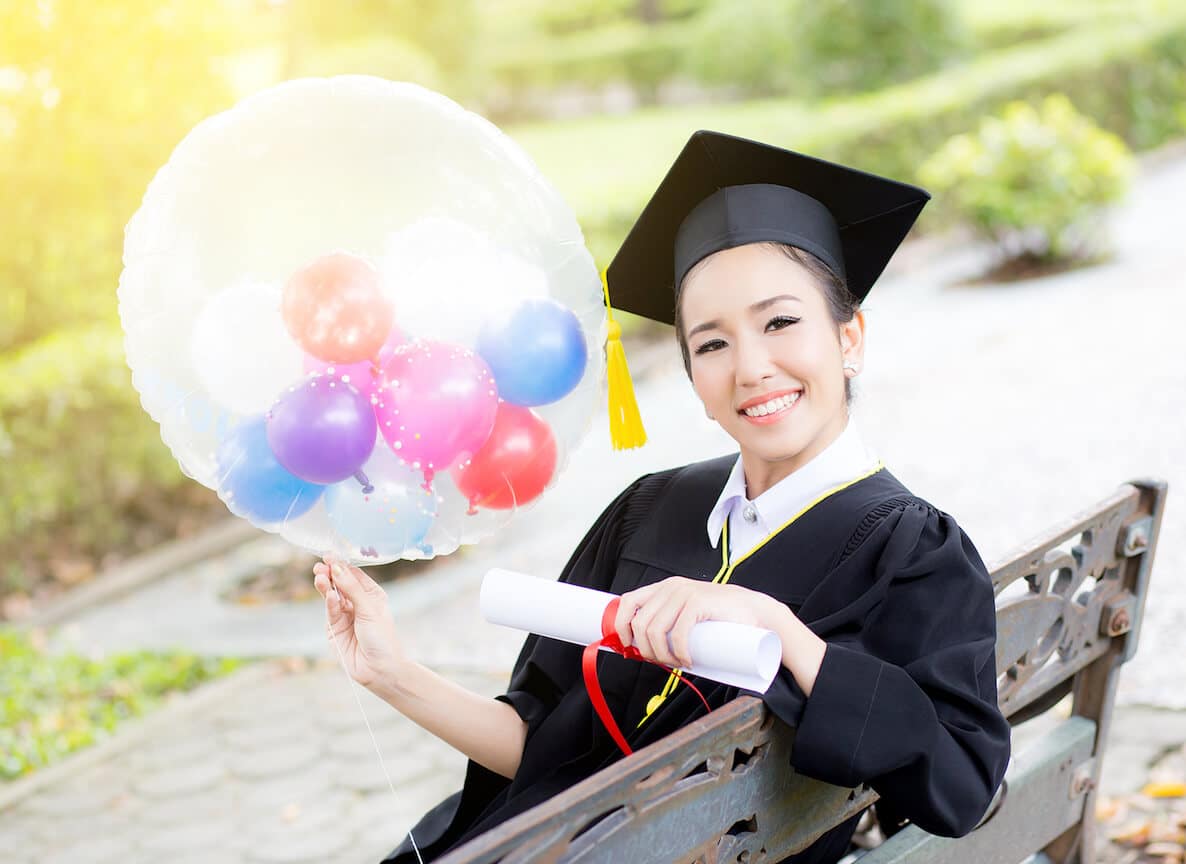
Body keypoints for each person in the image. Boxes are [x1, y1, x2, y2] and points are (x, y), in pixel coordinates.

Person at [312, 130, 1012, 864]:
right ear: (689, 372)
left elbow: (960, 785)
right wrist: (392, 673)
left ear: (850, 339)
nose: (751, 368)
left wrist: (779, 630)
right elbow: (540, 752)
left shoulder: (910, 553)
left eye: (780, 322)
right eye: (711, 344)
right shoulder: (648, 512)